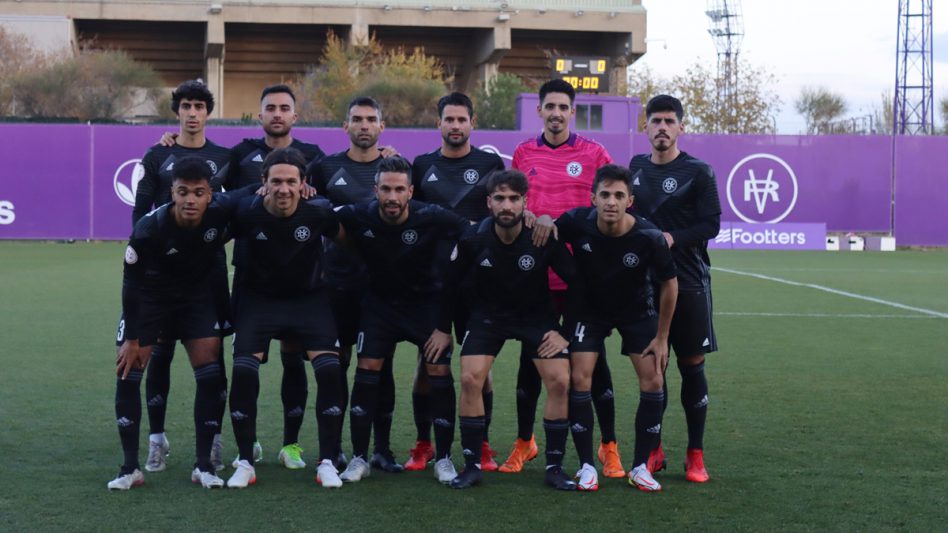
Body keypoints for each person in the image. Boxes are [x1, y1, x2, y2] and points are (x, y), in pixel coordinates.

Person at [158, 84, 327, 470]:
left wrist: (387, 153)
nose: (278, 114)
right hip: (253, 274)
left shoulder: (315, 157)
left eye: (285, 108)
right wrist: (171, 142)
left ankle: (292, 444)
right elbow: (207, 185)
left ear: (295, 116)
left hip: (301, 276)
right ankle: (245, 446)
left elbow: (329, 207)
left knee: (293, 360)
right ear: (259, 114)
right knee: (247, 361)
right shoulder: (239, 155)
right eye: (271, 108)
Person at [503, 79, 623, 479]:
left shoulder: (594, 153)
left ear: (573, 112)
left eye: (563, 107)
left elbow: (608, 203)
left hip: (581, 279)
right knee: (529, 366)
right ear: (539, 111)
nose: (556, 113)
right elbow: (512, 203)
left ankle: (609, 447)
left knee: (593, 366)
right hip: (534, 279)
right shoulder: (523, 153)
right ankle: (525, 442)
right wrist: (530, 217)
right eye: (549, 106)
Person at [109, 156, 252, 490]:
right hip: (150, 300)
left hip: (196, 301)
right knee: (128, 369)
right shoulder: (148, 229)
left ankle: (204, 465)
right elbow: (131, 286)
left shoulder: (220, 210)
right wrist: (132, 336)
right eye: (183, 191)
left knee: (210, 370)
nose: (190, 199)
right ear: (171, 192)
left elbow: (251, 190)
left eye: (198, 192)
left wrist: (280, 184)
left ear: (210, 194)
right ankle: (130, 468)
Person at [334, 156, 468, 485]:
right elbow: (323, 215)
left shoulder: (431, 216)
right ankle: (360, 458)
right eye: (385, 189)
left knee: (438, 369)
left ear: (410, 191)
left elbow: (474, 234)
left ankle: (445, 459)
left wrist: (444, 323)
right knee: (367, 369)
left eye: (398, 190)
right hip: (379, 307)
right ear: (375, 190)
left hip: (425, 307)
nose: (391, 197)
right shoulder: (358, 215)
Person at [443, 170, 579, 491]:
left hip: (537, 318)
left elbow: (578, 282)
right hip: (489, 318)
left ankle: (554, 468)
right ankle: (472, 465)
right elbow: (449, 285)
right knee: (469, 377)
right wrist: (442, 329)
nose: (507, 205)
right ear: (489, 202)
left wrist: (567, 331)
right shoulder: (473, 237)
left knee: (560, 380)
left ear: (525, 202)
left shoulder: (541, 237)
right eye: (500, 198)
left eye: (514, 199)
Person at [225, 147, 346, 489]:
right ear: (263, 183)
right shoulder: (244, 212)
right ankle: (246, 461)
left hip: (308, 300)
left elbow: (347, 240)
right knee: (244, 371)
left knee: (330, 370)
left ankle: (326, 461)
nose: (284, 189)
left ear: (303, 184)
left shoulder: (319, 211)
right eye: (276, 181)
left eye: (291, 182)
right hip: (258, 301)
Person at [556, 164, 678, 492]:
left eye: (619, 195)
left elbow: (670, 283)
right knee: (579, 377)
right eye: (605, 194)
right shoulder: (575, 222)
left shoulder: (649, 236)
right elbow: (548, 233)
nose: (612, 201)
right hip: (589, 311)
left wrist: (663, 337)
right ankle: (586, 466)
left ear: (630, 201)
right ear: (593, 198)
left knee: (654, 378)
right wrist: (539, 220)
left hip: (636, 311)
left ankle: (640, 467)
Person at [133, 79, 232, 473]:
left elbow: (240, 207)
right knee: (160, 354)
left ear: (208, 112)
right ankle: (157, 439)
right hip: (162, 276)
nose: (192, 113)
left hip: (209, 275)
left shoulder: (226, 157)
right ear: (177, 112)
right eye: (186, 106)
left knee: (214, 357)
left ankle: (214, 440)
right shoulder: (157, 155)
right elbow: (138, 216)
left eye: (199, 106)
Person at [306, 96, 404, 473]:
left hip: (381, 286)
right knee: (335, 366)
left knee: (381, 366)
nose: (364, 125)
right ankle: (333, 448)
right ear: (345, 126)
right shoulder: (324, 167)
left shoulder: (396, 168)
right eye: (357, 119)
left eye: (371, 119)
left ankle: (381, 449)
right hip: (335, 284)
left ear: (382, 126)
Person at [409, 92, 506, 472]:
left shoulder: (489, 163)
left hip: (478, 281)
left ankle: (481, 445)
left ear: (472, 123)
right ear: (439, 124)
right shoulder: (422, 165)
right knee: (427, 362)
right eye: (448, 119)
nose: (455, 125)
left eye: (461, 119)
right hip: (430, 281)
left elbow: (504, 208)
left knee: (479, 367)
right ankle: (423, 443)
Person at [628, 94, 721, 484]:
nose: (662, 127)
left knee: (690, 366)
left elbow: (711, 226)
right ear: (645, 127)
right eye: (656, 121)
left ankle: (695, 453)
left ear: (681, 127)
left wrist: (671, 238)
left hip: (688, 283)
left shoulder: (699, 172)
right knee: (653, 370)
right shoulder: (634, 168)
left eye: (669, 121)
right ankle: (654, 449)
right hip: (643, 287)